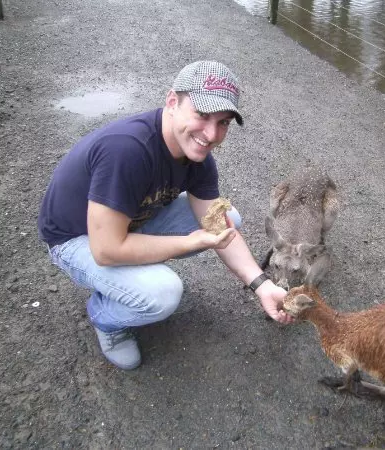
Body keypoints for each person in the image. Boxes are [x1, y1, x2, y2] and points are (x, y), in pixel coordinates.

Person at [38, 60, 293, 371]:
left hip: (129, 223)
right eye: (202, 115)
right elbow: (105, 250)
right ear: (172, 101)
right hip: (77, 239)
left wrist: (263, 285)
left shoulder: (198, 158)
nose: (211, 134)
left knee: (230, 220)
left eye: (224, 122)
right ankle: (105, 317)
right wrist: (186, 243)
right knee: (163, 293)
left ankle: (131, 274)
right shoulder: (128, 151)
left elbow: (218, 226)